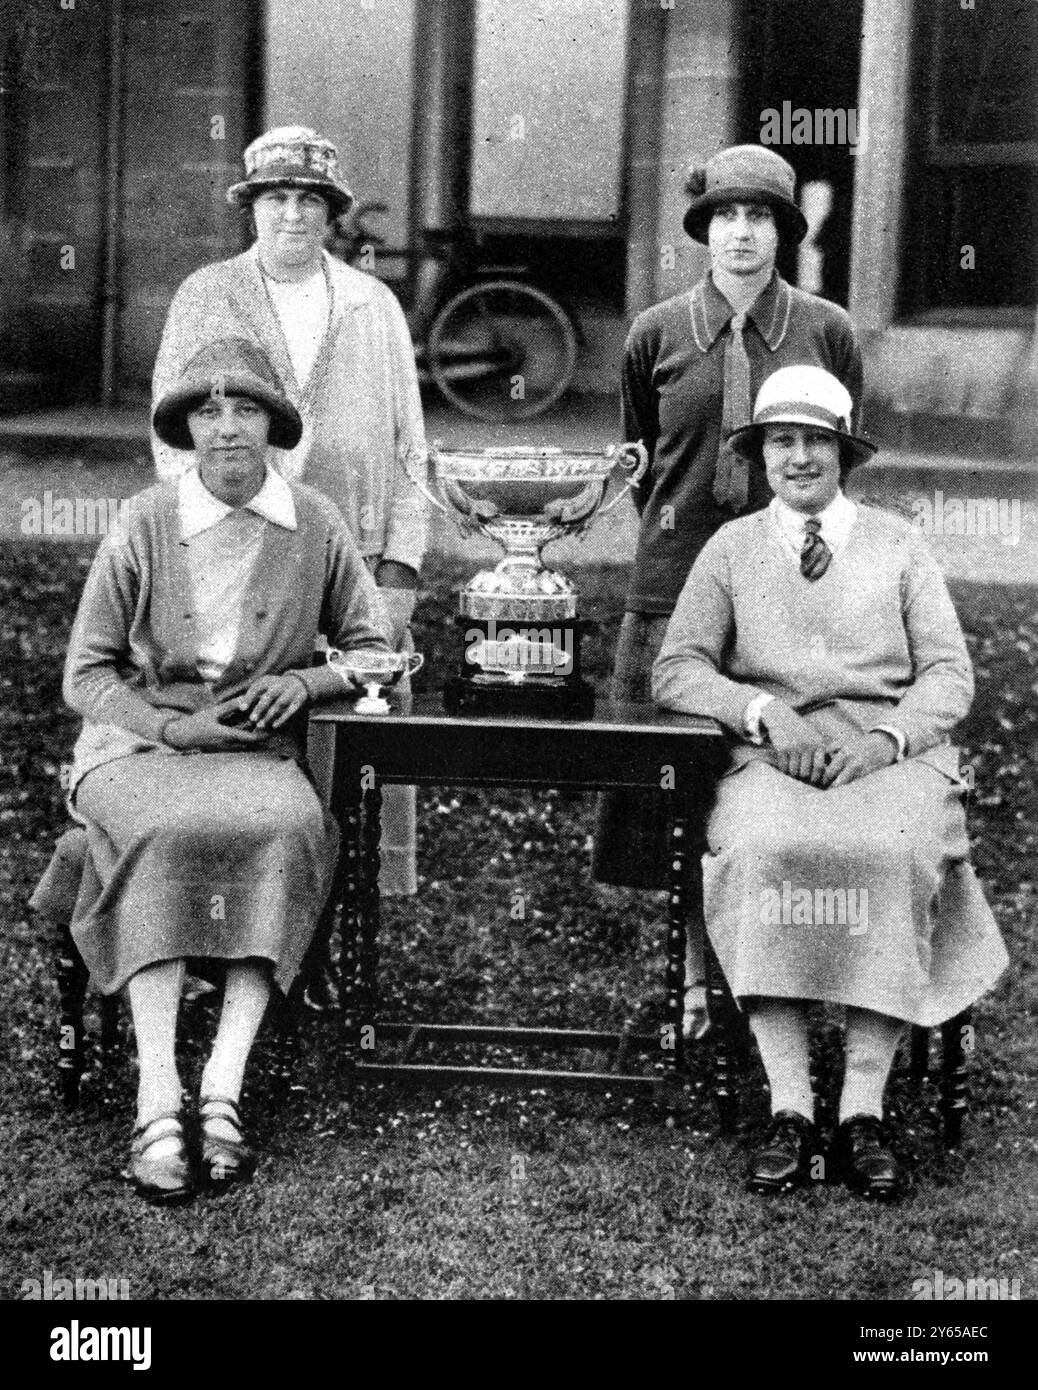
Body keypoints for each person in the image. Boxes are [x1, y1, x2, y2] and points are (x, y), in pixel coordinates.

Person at [652, 365, 1008, 1198]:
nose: (800, 458)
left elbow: (949, 676)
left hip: (887, 762)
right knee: (767, 849)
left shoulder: (898, 544)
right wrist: (761, 711)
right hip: (775, 762)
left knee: (886, 855)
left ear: (844, 454)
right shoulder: (732, 548)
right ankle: (790, 1107)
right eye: (783, 441)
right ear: (761, 454)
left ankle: (861, 1109)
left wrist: (888, 739)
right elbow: (679, 667)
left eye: (816, 441)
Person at [55, 338, 392, 1203]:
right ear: (185, 429)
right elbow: (86, 674)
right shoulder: (142, 521)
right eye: (208, 411)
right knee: (161, 834)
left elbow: (376, 648)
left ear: (275, 427)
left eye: (246, 410)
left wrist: (303, 680)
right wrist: (169, 726)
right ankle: (157, 1094)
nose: (228, 429)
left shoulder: (313, 522)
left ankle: (223, 1089)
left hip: (255, 753)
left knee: (285, 829)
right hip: (143, 750)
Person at [595, 144, 864, 1041]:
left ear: (785, 233)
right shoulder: (656, 331)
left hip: (786, 592)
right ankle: (688, 979)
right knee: (673, 786)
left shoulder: (825, 329)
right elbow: (644, 464)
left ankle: (774, 979)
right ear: (703, 230)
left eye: (761, 220)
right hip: (673, 586)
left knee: (778, 780)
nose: (742, 235)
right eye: (726, 218)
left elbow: (829, 461)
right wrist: (687, 546)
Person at [152, 125, 427, 897]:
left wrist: (400, 567)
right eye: (276, 198)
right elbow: (170, 440)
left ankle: (339, 938)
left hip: (356, 567)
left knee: (352, 743)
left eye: (310, 200)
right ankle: (227, 933)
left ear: (332, 213)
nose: (293, 217)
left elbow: (413, 447)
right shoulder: (207, 295)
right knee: (243, 739)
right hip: (239, 564)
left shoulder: (371, 304)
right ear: (252, 208)